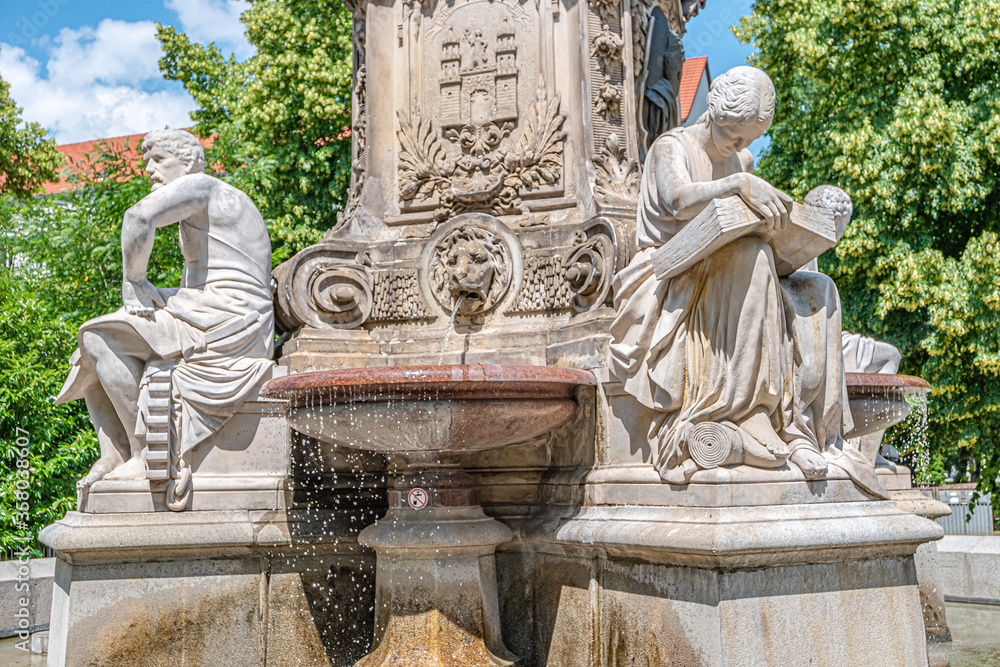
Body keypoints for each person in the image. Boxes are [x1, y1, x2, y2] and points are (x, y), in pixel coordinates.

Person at [610, 67, 871, 493]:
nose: (739, 146)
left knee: (819, 288)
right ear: (712, 111)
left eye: (748, 140)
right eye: (733, 134)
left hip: (731, 267)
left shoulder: (742, 160)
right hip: (670, 275)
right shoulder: (671, 146)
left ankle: (807, 430)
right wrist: (739, 185)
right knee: (752, 255)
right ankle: (745, 411)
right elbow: (677, 200)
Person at [56, 129, 275, 499]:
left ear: (187, 162)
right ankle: (115, 454)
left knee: (99, 335)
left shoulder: (204, 187)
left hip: (233, 316)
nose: (150, 171)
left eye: (159, 160)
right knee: (89, 347)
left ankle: (141, 456)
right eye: (146, 163)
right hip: (216, 309)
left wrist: (134, 281)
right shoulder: (209, 203)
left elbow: (137, 217)